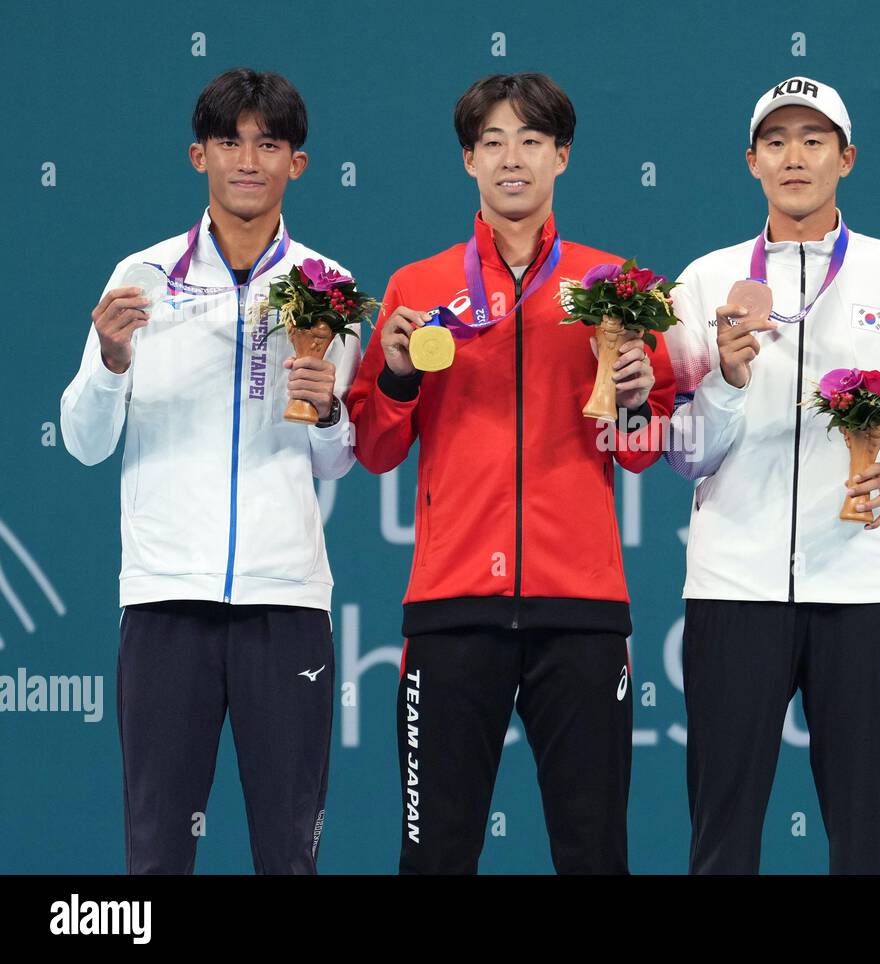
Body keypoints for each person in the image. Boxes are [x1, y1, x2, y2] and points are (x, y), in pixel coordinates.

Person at [345, 72, 676, 874]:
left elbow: (641, 447)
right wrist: (393, 375)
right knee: (433, 858)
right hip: (452, 607)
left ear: (562, 155)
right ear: (468, 162)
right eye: (491, 142)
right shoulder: (418, 290)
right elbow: (377, 448)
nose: (512, 159)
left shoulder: (615, 289)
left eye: (531, 141)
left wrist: (634, 397)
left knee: (595, 854)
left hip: (582, 608)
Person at [60, 67, 358, 874]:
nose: (248, 159)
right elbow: (84, 441)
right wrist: (113, 362)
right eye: (230, 141)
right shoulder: (141, 277)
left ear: (297, 163)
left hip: (285, 601)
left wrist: (328, 407)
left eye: (269, 143)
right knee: (156, 854)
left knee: (288, 854)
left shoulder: (327, 289)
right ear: (199, 156)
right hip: (164, 600)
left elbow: (338, 460)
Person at [663, 76, 880, 873]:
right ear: (751, 161)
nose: (795, 157)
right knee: (721, 840)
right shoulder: (702, 281)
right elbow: (685, 450)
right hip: (734, 589)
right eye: (777, 142)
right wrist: (723, 379)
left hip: (863, 590)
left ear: (847, 157)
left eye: (814, 140)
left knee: (866, 841)